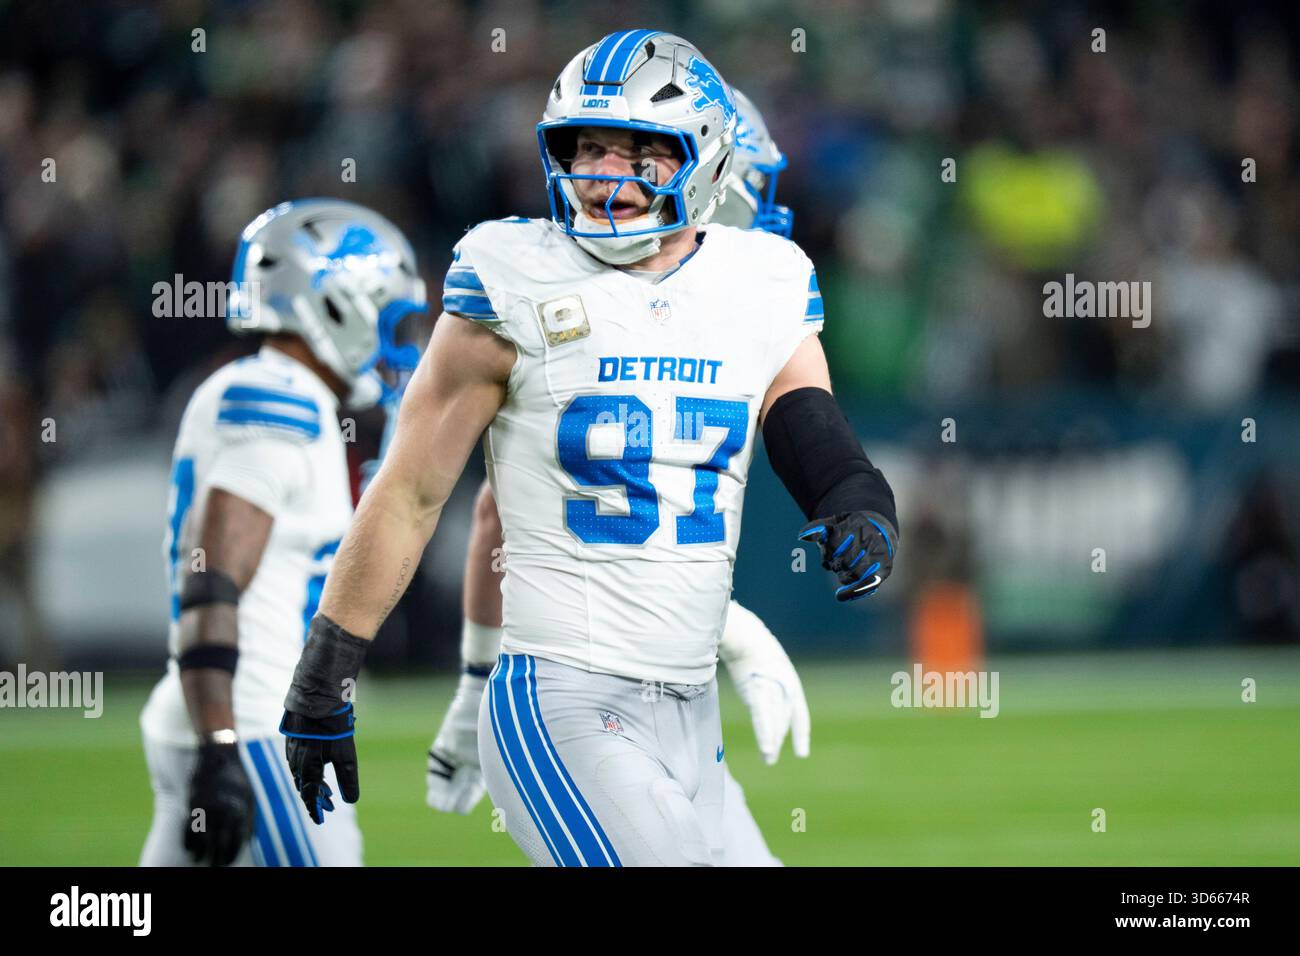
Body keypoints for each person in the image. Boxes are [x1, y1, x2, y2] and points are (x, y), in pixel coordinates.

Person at [281, 31, 897, 867]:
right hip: (563, 698)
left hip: (690, 712)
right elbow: (410, 494)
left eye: (642, 152)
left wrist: (858, 501)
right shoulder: (512, 275)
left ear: (706, 158)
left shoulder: (764, 279)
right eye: (590, 147)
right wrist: (327, 669)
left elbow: (810, 427)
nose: (607, 173)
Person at [423, 87, 808, 867]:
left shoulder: (736, 292)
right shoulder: (589, 284)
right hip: (586, 692)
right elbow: (506, 517)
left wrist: (728, 631)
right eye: (752, 189)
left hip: (670, 700)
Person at [139, 199, 426, 866]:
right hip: (255, 723)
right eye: (386, 313)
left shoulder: (277, 393)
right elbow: (212, 580)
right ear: (332, 303)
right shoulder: (279, 399)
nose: (398, 341)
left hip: (230, 716)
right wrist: (222, 745)